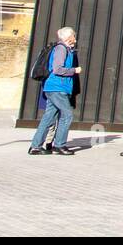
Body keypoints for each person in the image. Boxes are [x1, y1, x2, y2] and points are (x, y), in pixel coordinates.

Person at [28, 27, 82, 156]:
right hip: (57, 88)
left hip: (53, 87)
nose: (75, 38)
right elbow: (57, 69)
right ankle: (59, 145)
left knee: (49, 117)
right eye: (74, 36)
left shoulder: (64, 49)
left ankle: (35, 146)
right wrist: (74, 70)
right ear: (68, 37)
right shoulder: (61, 49)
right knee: (67, 115)